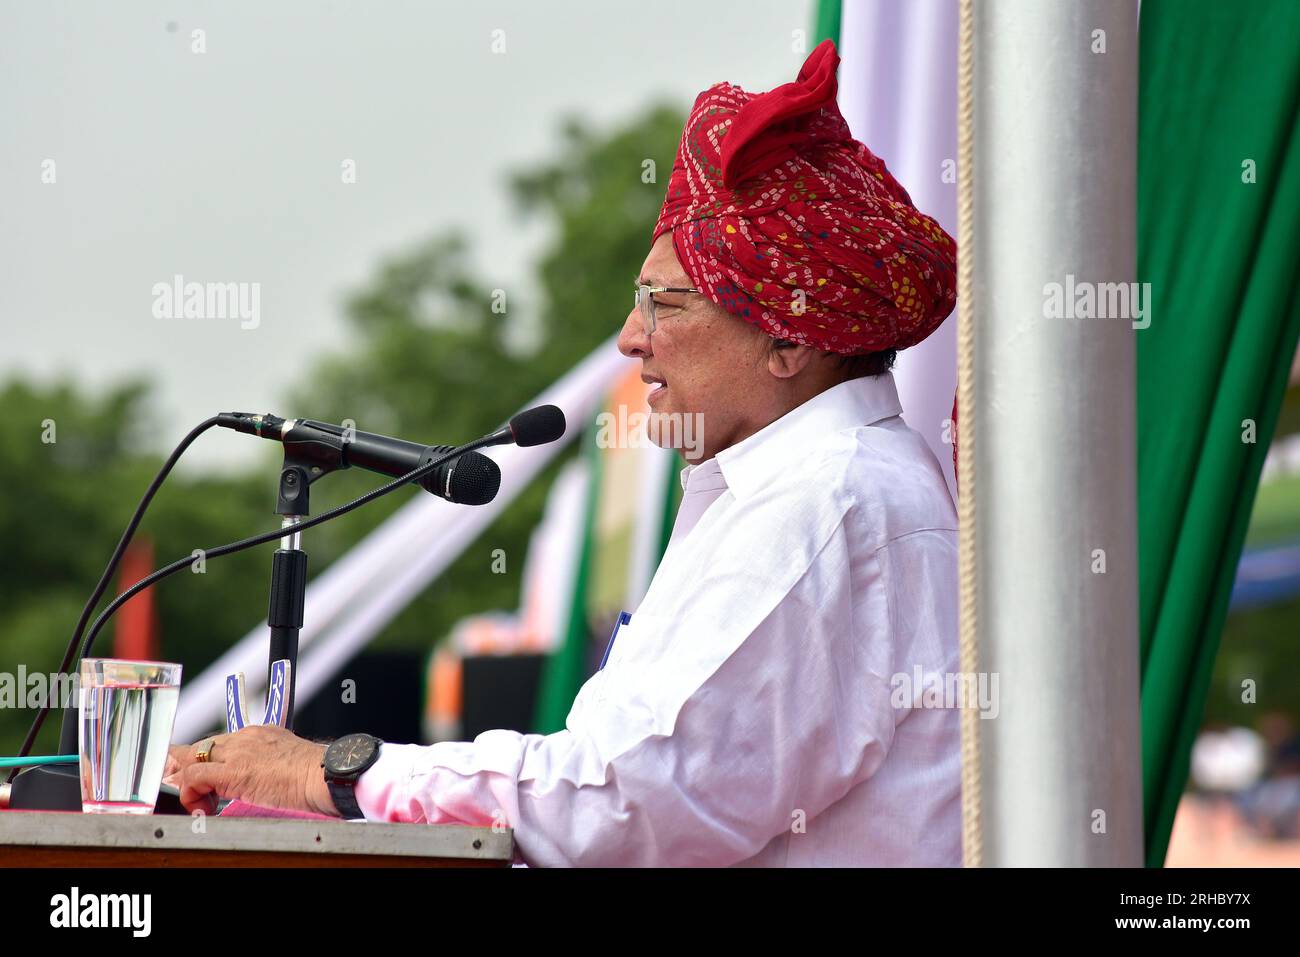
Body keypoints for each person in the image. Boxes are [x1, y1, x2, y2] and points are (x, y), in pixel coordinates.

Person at [168, 39, 961, 867]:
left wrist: (333, 771)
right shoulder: (821, 489)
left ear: (789, 339)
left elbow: (622, 802)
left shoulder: (823, 506)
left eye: (664, 303)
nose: (631, 339)